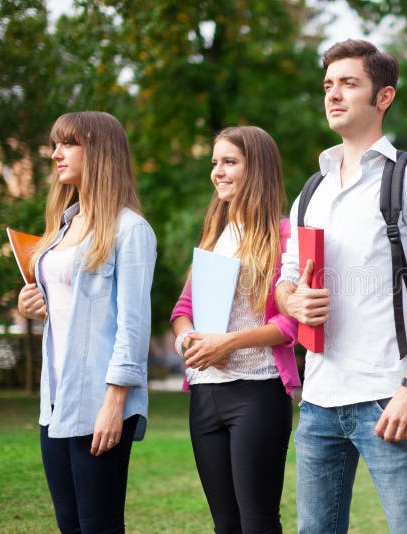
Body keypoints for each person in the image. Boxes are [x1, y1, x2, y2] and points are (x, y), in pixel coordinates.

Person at [274, 39, 407, 533]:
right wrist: (295, 300)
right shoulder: (311, 189)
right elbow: (285, 282)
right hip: (317, 401)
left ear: (384, 97)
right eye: (328, 85)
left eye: (349, 84)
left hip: (385, 397)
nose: (334, 94)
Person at [16, 111, 156, 533]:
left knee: (100, 526)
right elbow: (66, 308)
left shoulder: (130, 230)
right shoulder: (63, 226)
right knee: (69, 524)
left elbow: (133, 327)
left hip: (100, 403)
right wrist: (32, 304)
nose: (55, 153)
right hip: (56, 402)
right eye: (56, 144)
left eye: (67, 144)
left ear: (98, 152)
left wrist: (114, 405)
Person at [170, 125, 299, 533]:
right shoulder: (215, 234)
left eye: (230, 162)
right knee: (224, 523)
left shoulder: (283, 236)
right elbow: (183, 308)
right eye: (215, 163)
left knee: (257, 522)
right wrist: (186, 338)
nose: (218, 172)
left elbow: (289, 322)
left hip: (256, 393)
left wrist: (228, 342)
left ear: (256, 168)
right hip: (204, 394)